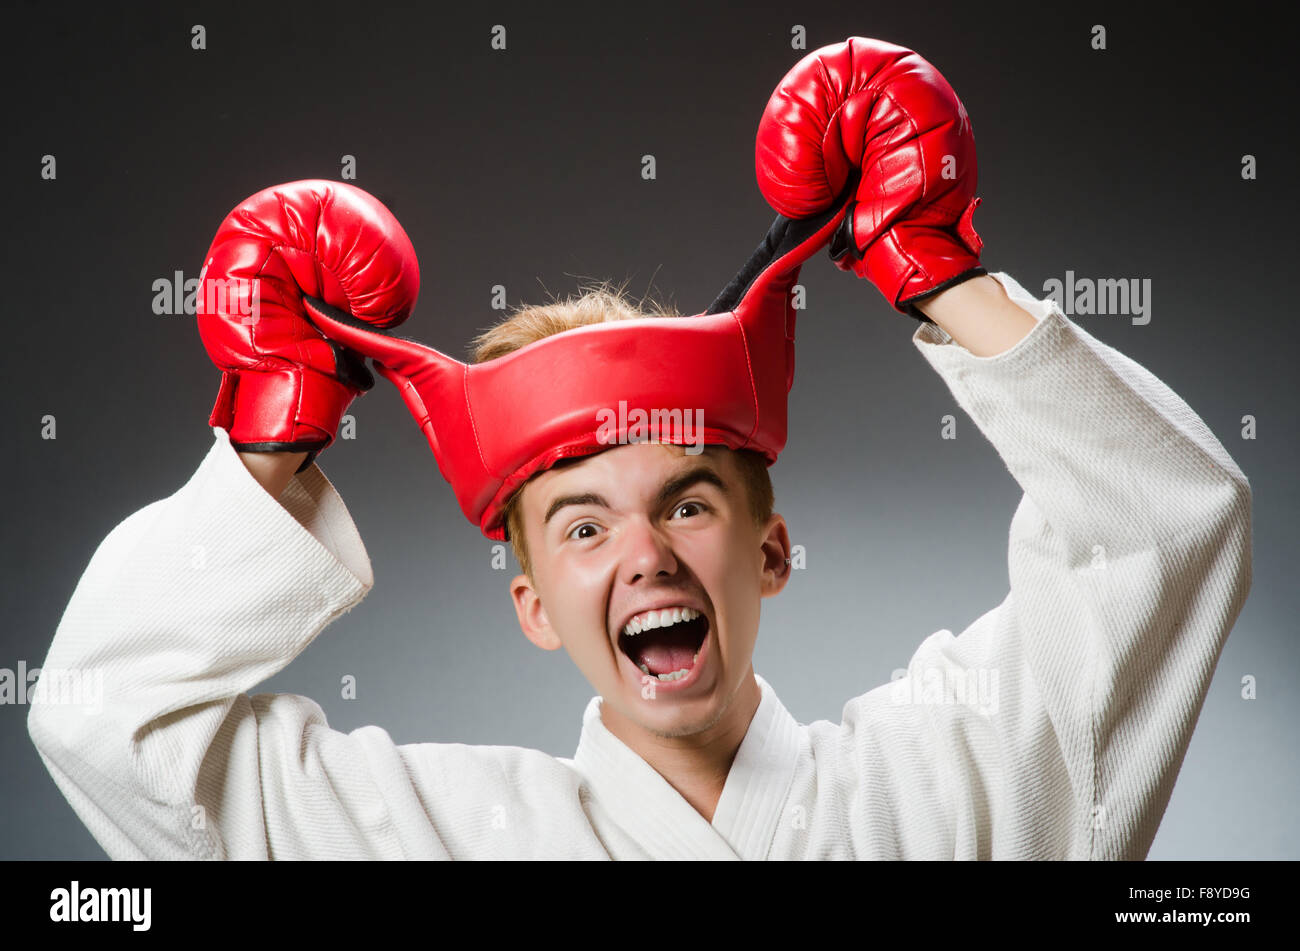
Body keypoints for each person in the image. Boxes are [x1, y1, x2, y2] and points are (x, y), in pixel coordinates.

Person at [28, 37, 1251, 860]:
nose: (645, 559)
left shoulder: (957, 783)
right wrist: (273, 425)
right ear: (534, 608)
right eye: (581, 525)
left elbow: (1163, 526)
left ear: (771, 551)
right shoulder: (437, 836)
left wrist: (932, 264)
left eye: (686, 502)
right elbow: (104, 721)